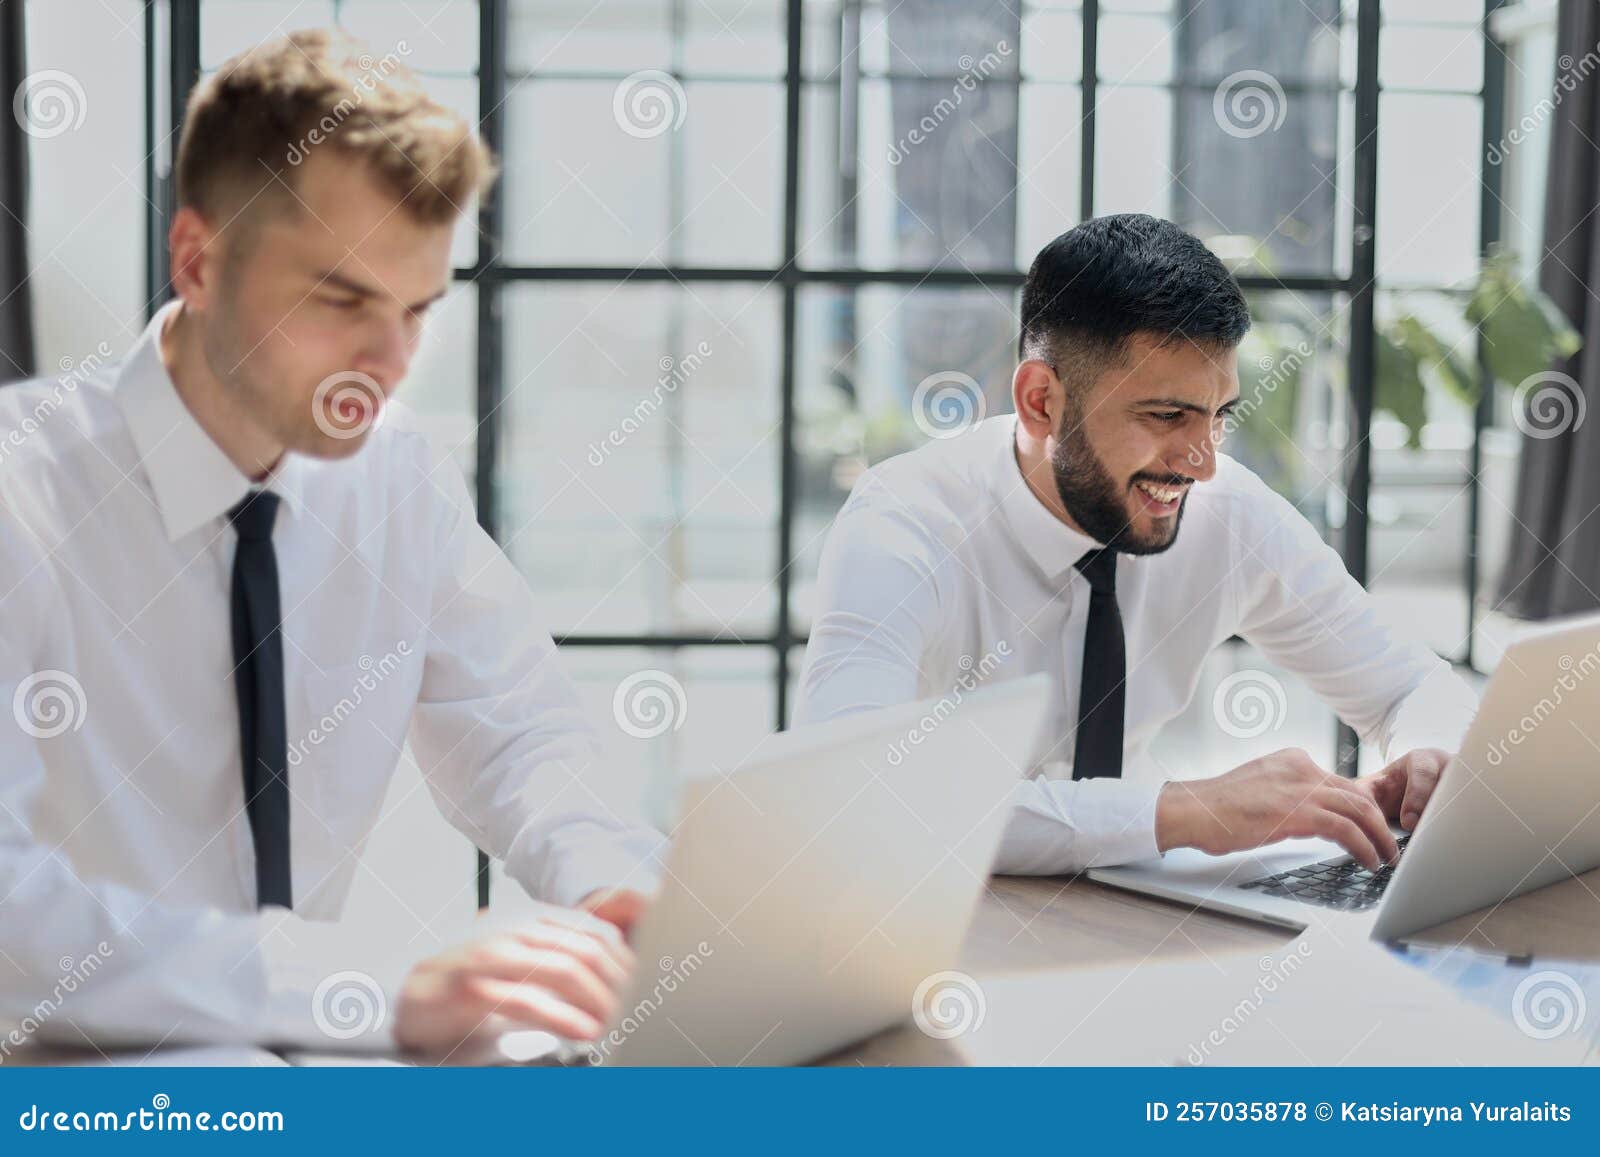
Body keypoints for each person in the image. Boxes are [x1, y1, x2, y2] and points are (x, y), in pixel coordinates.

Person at [0, 30, 661, 1055]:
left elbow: (522, 737)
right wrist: (369, 985)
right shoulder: (22, 491)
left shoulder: (395, 477)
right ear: (198, 259)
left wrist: (618, 886)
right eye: (342, 299)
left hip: (303, 1061)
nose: (391, 360)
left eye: (417, 309)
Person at [794, 213, 1477, 876]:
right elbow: (851, 793)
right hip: (937, 931)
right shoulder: (904, 525)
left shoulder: (1227, 512)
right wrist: (1183, 812)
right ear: (1040, 401)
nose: (1201, 461)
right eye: (1166, 415)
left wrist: (1427, 755)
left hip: (1132, 921)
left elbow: (1409, 686)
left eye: (1219, 415)